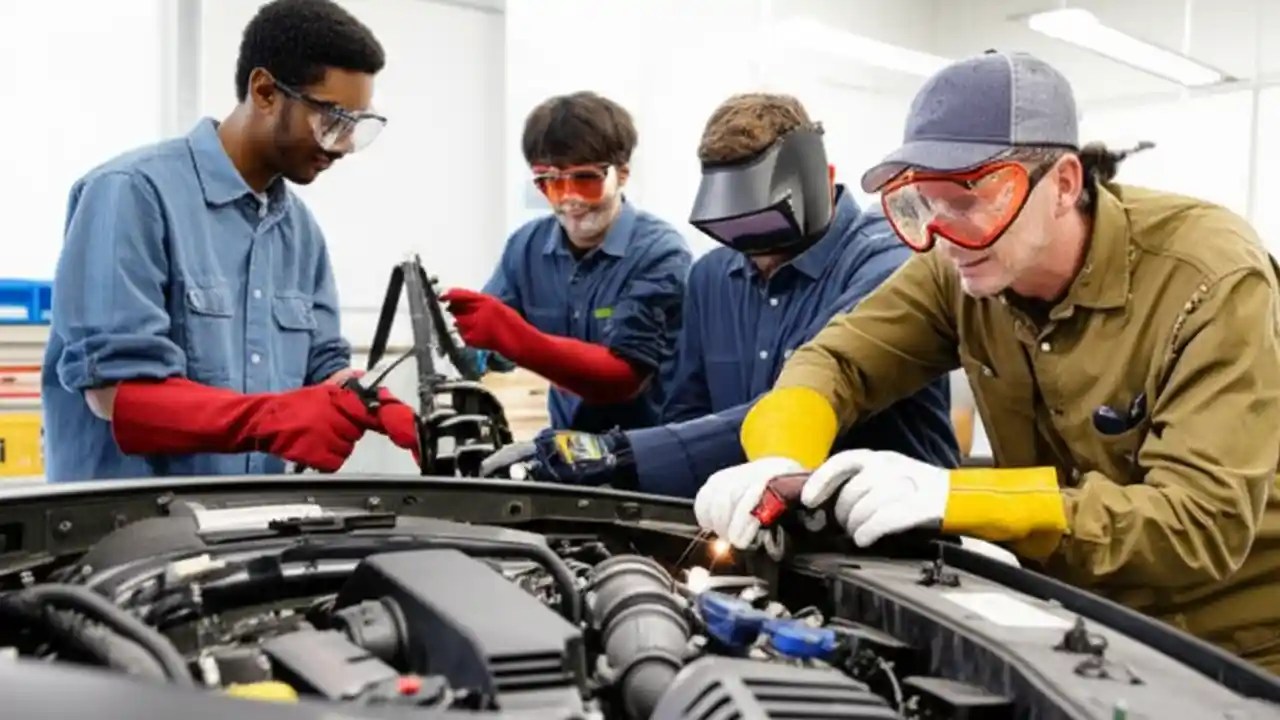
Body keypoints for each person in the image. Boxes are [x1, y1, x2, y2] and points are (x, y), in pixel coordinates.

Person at [694, 51, 1280, 674]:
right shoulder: (961, 265)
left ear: (1064, 184)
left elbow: (1200, 522)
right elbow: (836, 362)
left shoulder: (1210, 278)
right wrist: (780, 459)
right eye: (923, 203)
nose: (943, 234)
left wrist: (958, 497)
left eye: (970, 198)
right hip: (1071, 621)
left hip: (1229, 646)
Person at [486, 93, 957, 497]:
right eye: (734, 231)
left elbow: (808, 405)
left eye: (769, 227)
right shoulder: (712, 276)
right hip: (756, 528)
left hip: (890, 536)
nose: (755, 253)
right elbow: (687, 414)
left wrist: (619, 453)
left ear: (824, 177)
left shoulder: (890, 263)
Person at [41, 0, 418, 483]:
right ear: (265, 92)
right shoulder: (131, 194)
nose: (342, 147)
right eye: (332, 121)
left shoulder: (301, 233)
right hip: (133, 524)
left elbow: (322, 368)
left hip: (248, 519)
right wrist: (270, 419)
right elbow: (116, 394)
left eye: (356, 129)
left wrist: (366, 398)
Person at [440, 91, 691, 433]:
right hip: (570, 442)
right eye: (551, 182)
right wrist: (467, 349)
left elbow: (623, 379)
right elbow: (490, 343)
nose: (570, 198)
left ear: (622, 174)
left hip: (650, 446)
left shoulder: (660, 253)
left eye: (585, 180)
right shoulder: (526, 247)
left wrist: (514, 337)